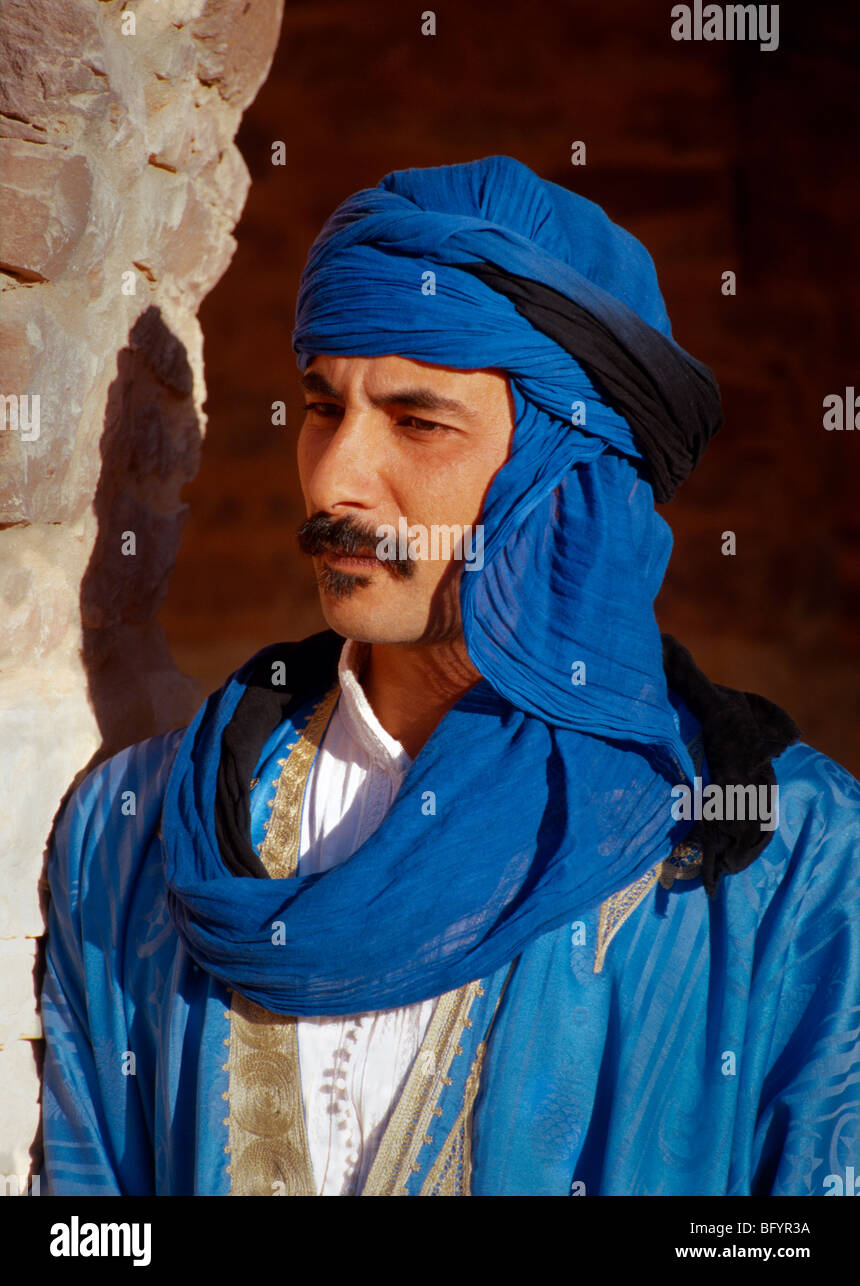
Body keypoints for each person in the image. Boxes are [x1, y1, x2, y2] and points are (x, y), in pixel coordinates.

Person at [41, 155, 859, 1196]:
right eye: (322, 406)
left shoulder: (788, 867)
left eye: (416, 421)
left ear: (571, 475)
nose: (335, 476)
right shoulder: (136, 834)